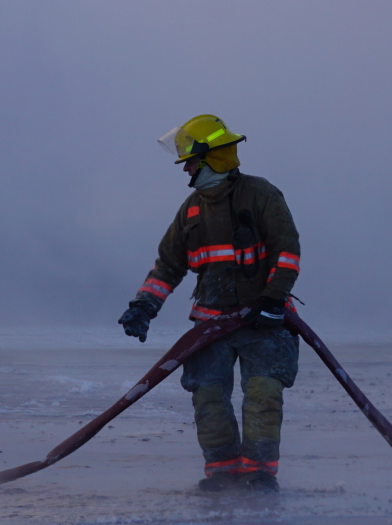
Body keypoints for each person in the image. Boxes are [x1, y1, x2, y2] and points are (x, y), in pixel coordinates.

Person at [118, 116, 301, 493]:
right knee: (208, 395)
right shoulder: (191, 211)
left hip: (263, 321)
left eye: (189, 161)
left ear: (209, 158)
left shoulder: (261, 195)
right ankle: (222, 472)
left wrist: (273, 300)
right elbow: (168, 266)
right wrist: (143, 306)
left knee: (263, 393)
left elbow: (287, 252)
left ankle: (259, 474)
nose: (185, 169)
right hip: (211, 323)